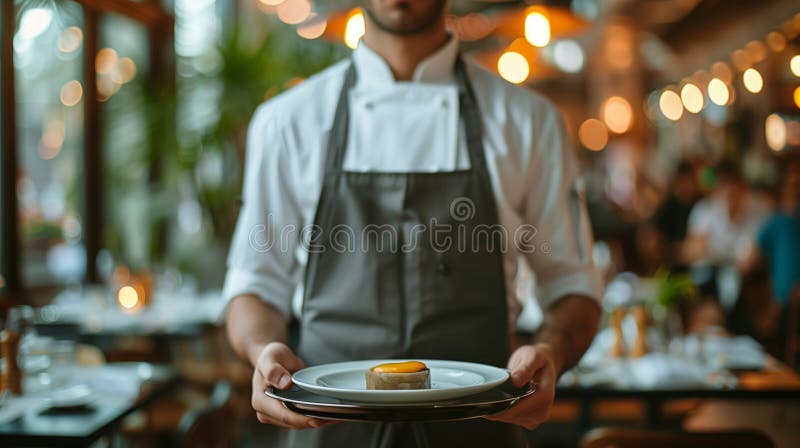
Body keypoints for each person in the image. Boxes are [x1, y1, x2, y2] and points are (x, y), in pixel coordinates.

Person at [222, 1, 603, 446]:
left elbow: (574, 285)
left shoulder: (530, 121)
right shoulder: (286, 123)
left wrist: (550, 352)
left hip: (477, 432)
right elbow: (253, 286)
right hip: (331, 434)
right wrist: (261, 350)